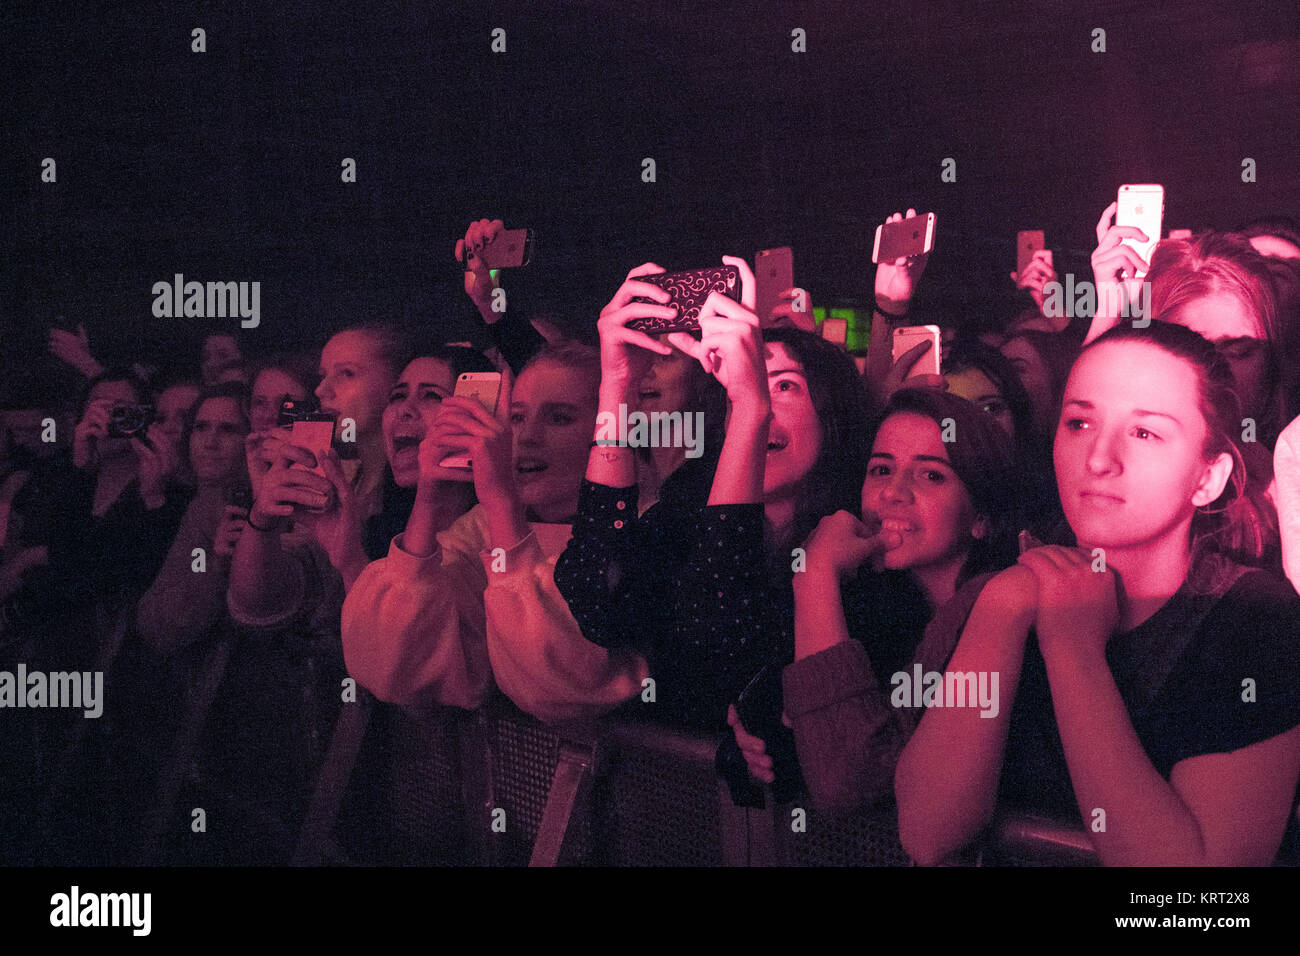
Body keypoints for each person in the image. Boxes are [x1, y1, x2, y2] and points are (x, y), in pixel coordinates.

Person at [896, 321, 1299, 867]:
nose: (1099, 459)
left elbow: (1194, 899)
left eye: (1145, 433)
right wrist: (1001, 608)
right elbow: (927, 833)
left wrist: (1076, 656)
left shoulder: (1256, 621)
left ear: (1209, 476)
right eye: (1080, 422)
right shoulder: (1005, 589)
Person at [554, 261, 872, 751]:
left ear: (836, 416)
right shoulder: (686, 507)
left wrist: (750, 406)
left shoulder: (856, 548)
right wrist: (616, 387)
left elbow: (721, 640)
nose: (759, 399)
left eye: (783, 385)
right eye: (744, 385)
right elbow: (597, 602)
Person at [729, 388, 1020, 816]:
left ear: (981, 518)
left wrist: (815, 575)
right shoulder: (874, 609)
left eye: (931, 475)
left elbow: (852, 781)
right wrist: (756, 745)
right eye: (881, 470)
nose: (893, 493)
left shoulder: (995, 605)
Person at [342, 342, 649, 723]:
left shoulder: (647, 526)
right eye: (516, 418)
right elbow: (388, 664)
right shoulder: (481, 527)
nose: (528, 437)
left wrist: (503, 504)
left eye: (559, 418)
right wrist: (428, 500)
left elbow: (563, 684)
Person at [136, 383, 251, 653]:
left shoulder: (248, 511)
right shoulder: (200, 508)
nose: (210, 442)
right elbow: (153, 621)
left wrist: (218, 565)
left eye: (228, 429)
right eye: (201, 427)